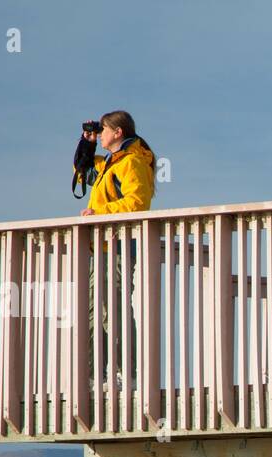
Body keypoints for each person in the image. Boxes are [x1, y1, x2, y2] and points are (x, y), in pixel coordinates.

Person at [76, 111, 156, 388]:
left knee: (114, 307)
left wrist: (98, 212)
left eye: (104, 130)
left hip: (120, 243)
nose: (101, 135)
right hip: (100, 245)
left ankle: (125, 373)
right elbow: (83, 171)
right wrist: (86, 142)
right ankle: (92, 376)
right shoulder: (111, 163)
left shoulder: (132, 162)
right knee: (91, 310)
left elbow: (137, 203)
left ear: (118, 132)